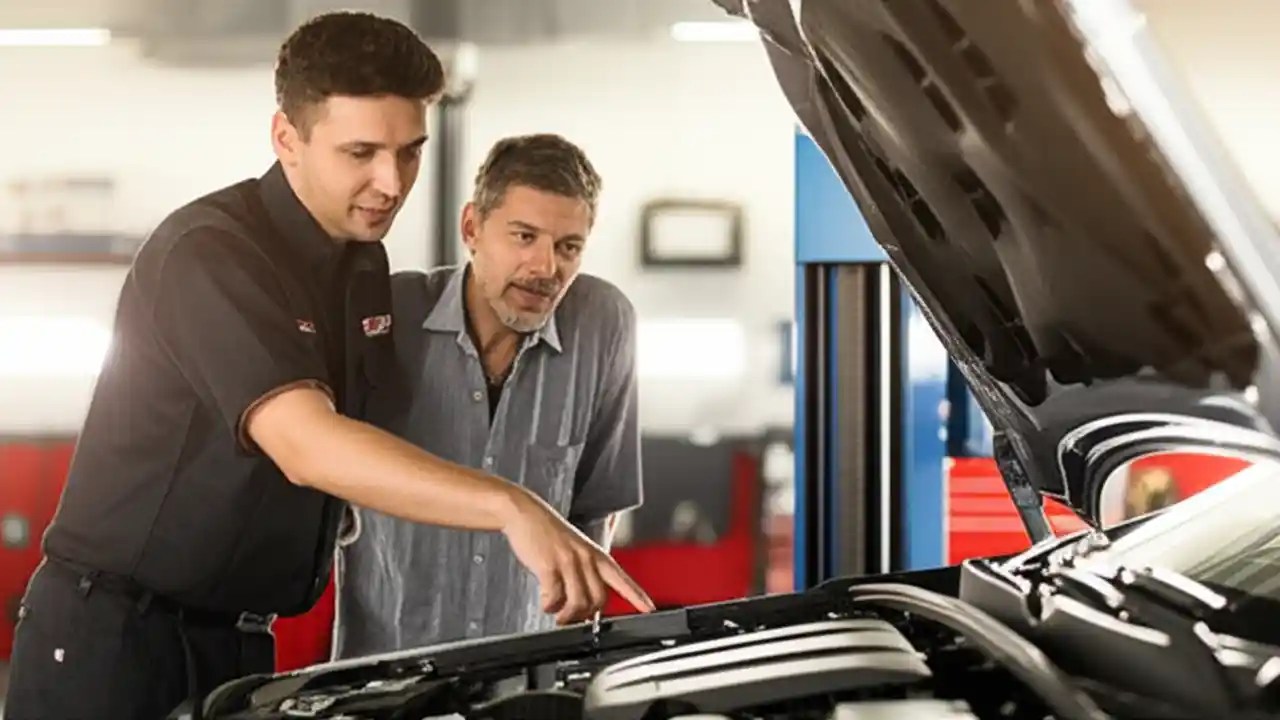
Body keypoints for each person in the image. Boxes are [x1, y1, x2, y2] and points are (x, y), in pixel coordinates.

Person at [4, 13, 652, 720]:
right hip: (119, 639)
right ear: (287, 138)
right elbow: (307, 443)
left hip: (242, 641)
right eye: (361, 152)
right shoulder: (211, 254)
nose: (390, 182)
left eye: (410, 152)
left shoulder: (361, 269)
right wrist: (511, 504)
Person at [332, 133, 644, 659]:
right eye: (524, 237)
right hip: (388, 673)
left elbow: (596, 506)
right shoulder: (387, 315)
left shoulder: (603, 324)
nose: (546, 268)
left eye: (569, 246)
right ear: (472, 228)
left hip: (528, 673)